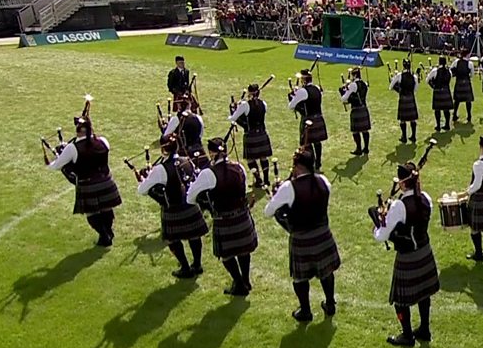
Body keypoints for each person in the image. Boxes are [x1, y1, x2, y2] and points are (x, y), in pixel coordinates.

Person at [265, 147, 341, 321]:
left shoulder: (288, 188)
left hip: (301, 238)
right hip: (323, 234)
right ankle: (330, 304)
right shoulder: (323, 180)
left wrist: (277, 196)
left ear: (298, 166)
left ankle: (305, 311)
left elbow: (269, 212)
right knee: (326, 271)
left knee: (300, 278)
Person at [373, 163, 440, 345]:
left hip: (408, 256)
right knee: (424, 293)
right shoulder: (426, 198)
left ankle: (407, 335)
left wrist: (378, 224)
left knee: (400, 301)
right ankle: (424, 329)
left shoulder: (399, 206)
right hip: (424, 251)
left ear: (402, 183)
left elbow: (382, 236)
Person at [186, 137, 258, 296]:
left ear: (211, 153)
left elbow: (190, 197)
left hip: (223, 220)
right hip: (242, 216)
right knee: (244, 251)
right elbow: (243, 189)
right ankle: (245, 280)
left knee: (226, 255)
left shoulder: (208, 174)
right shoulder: (239, 167)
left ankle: (239, 284)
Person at [138, 135, 209, 279]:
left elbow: (142, 190)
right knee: (194, 236)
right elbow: (196, 177)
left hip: (172, 208)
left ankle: (185, 267)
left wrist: (145, 179)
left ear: (163, 149)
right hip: (190, 204)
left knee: (173, 240)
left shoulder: (160, 169)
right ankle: (197, 264)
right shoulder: (186, 160)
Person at [47, 111, 121, 247]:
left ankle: (104, 235)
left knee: (92, 213)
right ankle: (108, 231)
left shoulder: (72, 148)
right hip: (106, 181)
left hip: (87, 185)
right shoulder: (103, 141)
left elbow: (57, 166)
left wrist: (55, 159)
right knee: (106, 208)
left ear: (77, 131)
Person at [229, 83, 273, 187]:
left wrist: (234, 108)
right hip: (262, 132)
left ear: (249, 92)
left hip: (250, 134)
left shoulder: (245, 105)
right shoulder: (264, 104)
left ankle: (258, 180)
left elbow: (233, 118)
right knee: (263, 157)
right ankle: (266, 180)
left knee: (250, 159)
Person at [288, 69, 329, 169]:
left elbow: (291, 106)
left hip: (307, 119)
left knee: (307, 142)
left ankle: (312, 160)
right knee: (317, 142)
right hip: (318, 117)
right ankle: (318, 161)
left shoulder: (303, 91)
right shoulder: (317, 88)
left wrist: (293, 97)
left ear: (303, 80)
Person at [339, 67, 371, 156]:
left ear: (355, 75)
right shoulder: (364, 84)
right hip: (364, 108)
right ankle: (366, 148)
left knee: (355, 131)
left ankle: (358, 149)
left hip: (356, 110)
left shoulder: (353, 85)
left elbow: (344, 98)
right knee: (365, 130)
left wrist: (342, 92)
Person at [162, 94, 204, 158]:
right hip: (199, 151)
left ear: (179, 106)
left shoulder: (176, 119)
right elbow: (200, 135)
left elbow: (166, 136)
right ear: (189, 105)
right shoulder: (198, 118)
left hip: (183, 154)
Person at [391, 59, 419, 144]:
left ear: (403, 66)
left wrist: (399, 90)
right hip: (411, 98)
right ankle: (413, 136)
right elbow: (415, 89)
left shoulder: (399, 75)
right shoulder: (414, 76)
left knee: (402, 120)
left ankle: (404, 137)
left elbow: (391, 86)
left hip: (403, 98)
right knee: (412, 119)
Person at [428, 56, 454, 132]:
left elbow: (428, 80)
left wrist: (433, 86)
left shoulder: (435, 71)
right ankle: (447, 125)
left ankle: (438, 126)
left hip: (437, 91)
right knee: (446, 109)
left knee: (437, 110)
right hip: (446, 91)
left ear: (439, 62)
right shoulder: (449, 71)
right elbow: (450, 78)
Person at [452, 50, 475, 124]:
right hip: (466, 82)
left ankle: (454, 115)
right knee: (468, 101)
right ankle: (469, 116)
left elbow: (451, 71)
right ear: (467, 55)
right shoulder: (470, 63)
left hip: (458, 82)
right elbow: (472, 74)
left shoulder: (456, 62)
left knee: (457, 100)